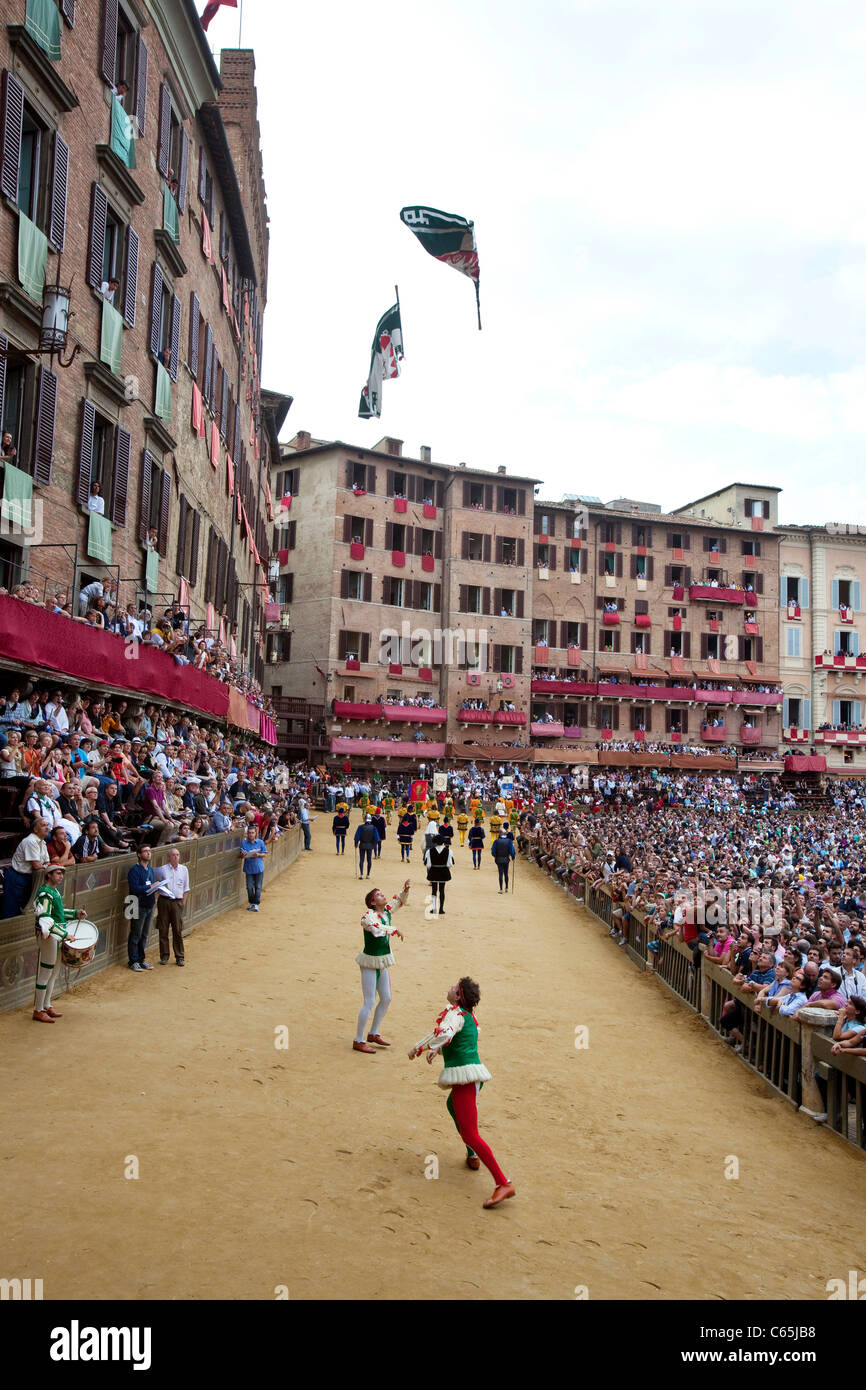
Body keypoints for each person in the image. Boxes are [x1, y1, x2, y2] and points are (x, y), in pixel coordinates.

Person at [408, 976, 514, 1209]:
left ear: (458, 996)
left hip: (465, 1079)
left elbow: (445, 1034)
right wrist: (434, 1048)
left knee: (471, 1134)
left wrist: (424, 1047)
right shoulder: (466, 1015)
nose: (450, 987)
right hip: (472, 1076)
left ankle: (502, 1182)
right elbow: (452, 1036)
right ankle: (472, 1154)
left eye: (454, 987)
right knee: (451, 1107)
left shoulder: (455, 1015)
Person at [353, 880, 409, 1054]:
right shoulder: (367, 917)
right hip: (370, 962)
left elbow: (398, 901)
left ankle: (373, 1033)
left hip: (381, 961)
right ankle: (358, 1039)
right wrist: (394, 929)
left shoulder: (385, 913)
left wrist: (405, 890)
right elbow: (377, 929)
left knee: (386, 998)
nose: (382, 895)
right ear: (372, 902)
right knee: (369, 1001)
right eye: (378, 895)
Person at [31, 864, 88, 1023]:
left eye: (62, 873)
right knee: (45, 973)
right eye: (58, 873)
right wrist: (64, 934)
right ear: (49, 875)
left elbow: (59, 913)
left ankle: (46, 1005)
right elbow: (45, 920)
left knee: (54, 973)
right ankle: (38, 1009)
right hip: (50, 937)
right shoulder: (45, 893)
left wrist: (76, 913)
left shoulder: (52, 892)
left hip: (57, 937)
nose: (61, 876)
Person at [3, 818, 50, 918]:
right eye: (43, 825)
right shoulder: (30, 841)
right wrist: (45, 866)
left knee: (23, 909)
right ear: (35, 829)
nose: (47, 828)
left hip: (29, 877)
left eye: (47, 825)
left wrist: (45, 865)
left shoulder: (43, 842)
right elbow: (36, 865)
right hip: (17, 877)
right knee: (11, 909)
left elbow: (47, 862)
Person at [155, 846, 190, 965]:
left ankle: (180, 956)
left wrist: (182, 904)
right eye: (173, 855)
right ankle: (164, 956)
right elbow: (156, 886)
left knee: (178, 930)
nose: (176, 857)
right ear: (168, 857)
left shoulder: (184, 869)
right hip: (164, 901)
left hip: (177, 902)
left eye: (177, 855)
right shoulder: (161, 870)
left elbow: (186, 889)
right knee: (163, 929)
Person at [127, 845, 157, 971]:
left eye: (149, 851)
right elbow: (134, 888)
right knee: (135, 934)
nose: (149, 853)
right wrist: (150, 887)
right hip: (136, 904)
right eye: (145, 851)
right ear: (139, 854)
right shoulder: (134, 870)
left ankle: (141, 959)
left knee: (144, 934)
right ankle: (133, 961)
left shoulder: (150, 869)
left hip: (148, 904)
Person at [424, 825, 453, 916]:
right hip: (443, 871)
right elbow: (450, 864)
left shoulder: (430, 851)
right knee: (442, 890)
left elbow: (427, 864)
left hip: (434, 871)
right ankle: (441, 909)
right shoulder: (449, 851)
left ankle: (434, 908)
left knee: (434, 891)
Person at [240, 823, 267, 911]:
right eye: (249, 833)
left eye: (252, 833)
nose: (251, 834)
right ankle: (252, 902)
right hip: (248, 868)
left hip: (259, 867)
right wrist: (242, 854)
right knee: (249, 886)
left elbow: (265, 853)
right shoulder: (244, 843)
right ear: (247, 834)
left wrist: (258, 854)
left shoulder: (260, 842)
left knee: (258, 886)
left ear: (255, 833)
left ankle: (255, 903)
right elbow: (241, 854)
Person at [354, 813, 380, 878]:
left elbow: (357, 837)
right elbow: (377, 839)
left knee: (361, 860)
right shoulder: (374, 828)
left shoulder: (360, 827)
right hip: (370, 845)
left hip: (362, 845)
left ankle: (361, 874)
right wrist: (374, 845)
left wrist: (356, 844)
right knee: (369, 860)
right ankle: (368, 874)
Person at [491, 827, 516, 893]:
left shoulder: (496, 841)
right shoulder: (509, 841)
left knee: (500, 873)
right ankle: (507, 887)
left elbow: (493, 851)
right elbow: (512, 850)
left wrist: (495, 856)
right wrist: (513, 856)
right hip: (506, 859)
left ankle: (501, 889)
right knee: (506, 873)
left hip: (498, 859)